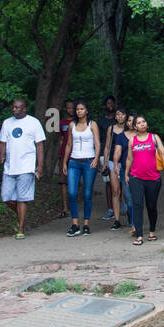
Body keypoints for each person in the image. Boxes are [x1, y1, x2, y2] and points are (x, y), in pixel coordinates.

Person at [0, 98, 46, 239]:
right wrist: (1, 156)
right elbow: (2, 142)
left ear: (24, 109)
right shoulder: (7, 123)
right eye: (13, 107)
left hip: (26, 166)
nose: (15, 110)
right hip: (10, 167)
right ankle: (21, 215)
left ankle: (21, 228)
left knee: (21, 199)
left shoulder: (33, 123)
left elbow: (39, 145)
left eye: (18, 108)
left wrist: (40, 165)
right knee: (6, 197)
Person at [124, 115, 164, 246]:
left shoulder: (154, 137)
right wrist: (126, 174)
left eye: (144, 121)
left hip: (153, 178)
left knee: (151, 206)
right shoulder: (132, 140)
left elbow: (163, 154)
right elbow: (129, 159)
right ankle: (139, 235)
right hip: (136, 178)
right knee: (137, 204)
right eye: (139, 123)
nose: (142, 124)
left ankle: (152, 231)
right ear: (135, 126)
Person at [62, 101, 101, 236]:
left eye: (81, 109)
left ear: (86, 110)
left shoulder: (92, 124)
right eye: (77, 109)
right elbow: (68, 144)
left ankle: (86, 224)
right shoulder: (72, 124)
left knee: (87, 194)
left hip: (89, 162)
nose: (79, 111)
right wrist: (64, 162)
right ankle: (74, 224)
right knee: (72, 193)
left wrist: (96, 158)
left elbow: (97, 142)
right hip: (74, 162)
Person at [103, 107, 129, 230]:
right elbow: (107, 146)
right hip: (112, 162)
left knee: (127, 191)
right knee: (115, 190)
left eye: (122, 114)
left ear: (126, 116)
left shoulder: (129, 128)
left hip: (126, 162)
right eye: (118, 114)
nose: (120, 117)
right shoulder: (111, 129)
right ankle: (117, 220)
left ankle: (131, 215)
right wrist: (104, 162)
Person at [96, 95, 118, 220]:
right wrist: (98, 156)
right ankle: (110, 208)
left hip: (119, 153)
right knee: (108, 182)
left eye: (112, 103)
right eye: (107, 103)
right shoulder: (101, 121)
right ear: (104, 106)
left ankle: (121, 205)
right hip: (105, 154)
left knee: (120, 181)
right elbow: (98, 139)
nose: (110, 105)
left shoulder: (118, 119)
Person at [52, 99, 75, 181]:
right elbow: (61, 139)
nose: (71, 110)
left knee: (74, 180)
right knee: (63, 180)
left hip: (76, 155)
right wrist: (60, 154)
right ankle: (64, 194)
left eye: (73, 108)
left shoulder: (78, 122)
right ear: (65, 109)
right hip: (64, 154)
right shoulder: (61, 122)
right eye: (69, 108)